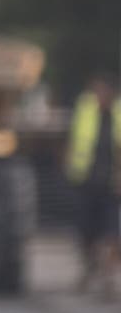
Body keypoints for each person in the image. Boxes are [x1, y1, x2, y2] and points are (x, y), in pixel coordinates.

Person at [66, 73, 121, 298]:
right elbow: (75, 139)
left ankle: (108, 277)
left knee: (111, 233)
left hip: (110, 185)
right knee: (86, 231)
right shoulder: (85, 109)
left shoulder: (118, 114)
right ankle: (89, 269)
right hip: (85, 182)